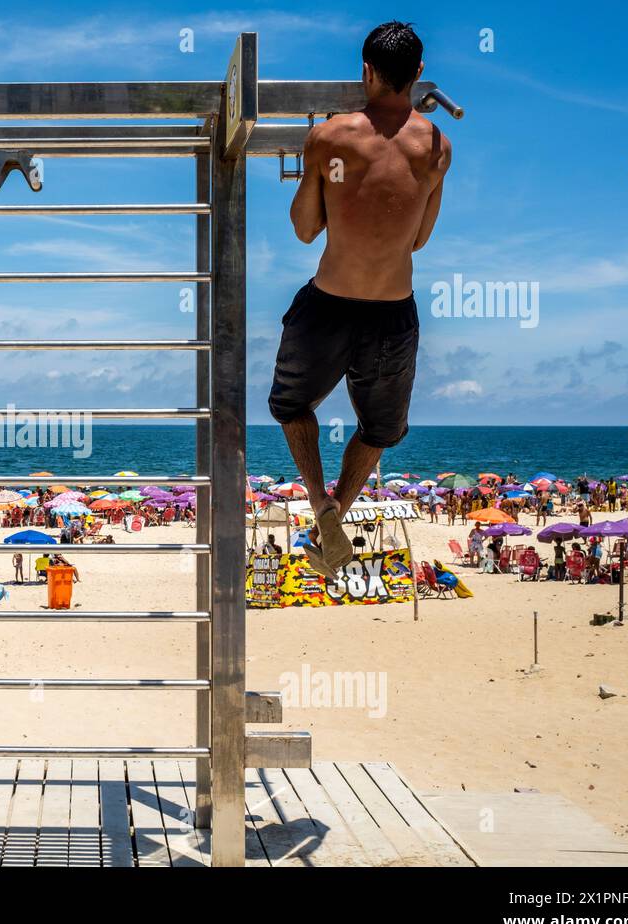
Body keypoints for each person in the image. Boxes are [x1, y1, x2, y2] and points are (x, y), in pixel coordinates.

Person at [267, 21, 452, 578]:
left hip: (329, 302)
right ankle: (335, 518)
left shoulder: (330, 137)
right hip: (393, 310)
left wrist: (322, 181)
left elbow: (303, 228)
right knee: (377, 432)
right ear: (418, 75)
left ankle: (319, 501)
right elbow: (420, 236)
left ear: (365, 71)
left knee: (291, 407)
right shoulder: (436, 146)